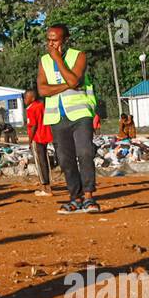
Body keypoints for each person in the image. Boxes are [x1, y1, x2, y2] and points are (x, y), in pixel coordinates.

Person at [37, 24, 100, 214]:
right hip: (57, 116)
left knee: (85, 153)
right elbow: (42, 90)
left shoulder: (78, 55)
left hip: (80, 113)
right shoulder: (44, 61)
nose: (51, 44)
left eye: (55, 40)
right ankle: (75, 198)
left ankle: (89, 197)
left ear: (65, 40)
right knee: (65, 159)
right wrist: (67, 85)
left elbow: (76, 80)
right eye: (48, 39)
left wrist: (58, 58)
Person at [23, 89, 54, 197]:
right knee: (44, 161)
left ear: (32, 98)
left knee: (40, 163)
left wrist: (30, 140)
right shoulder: (41, 105)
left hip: (37, 137)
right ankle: (46, 186)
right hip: (45, 136)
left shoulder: (31, 109)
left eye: (26, 98)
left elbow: (33, 125)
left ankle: (45, 187)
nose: (24, 100)